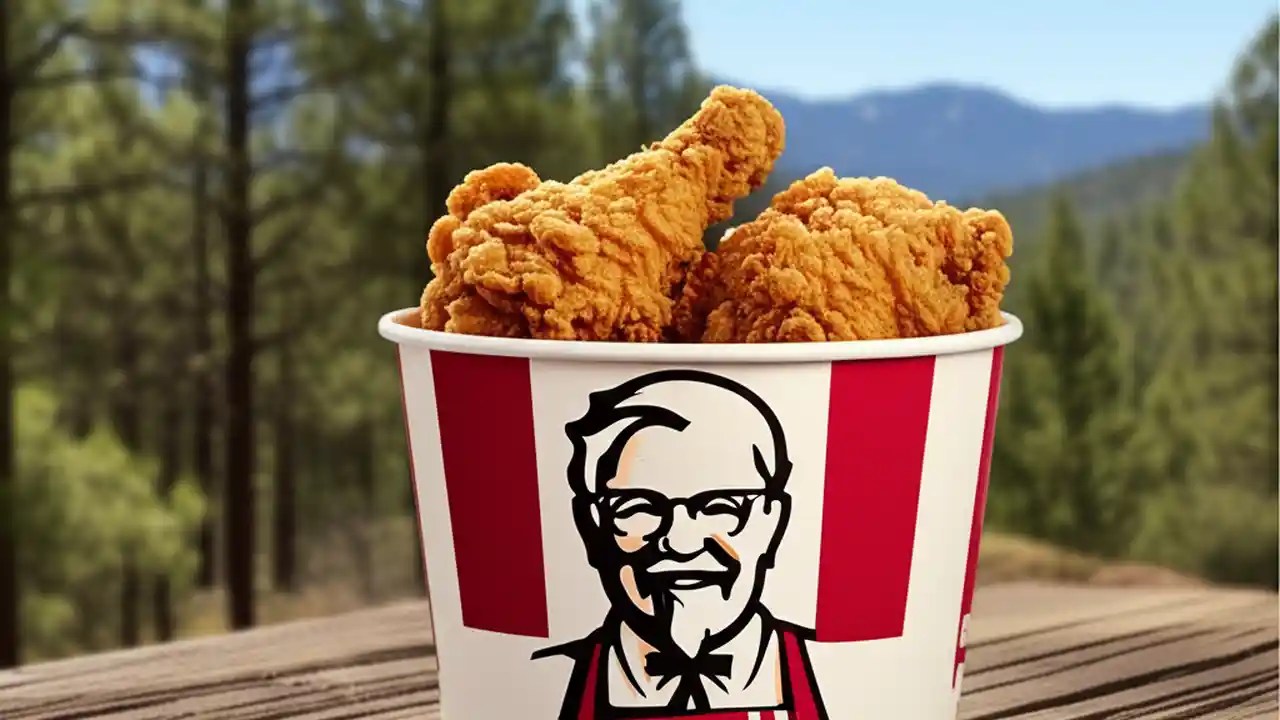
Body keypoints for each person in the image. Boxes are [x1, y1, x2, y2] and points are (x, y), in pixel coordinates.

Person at [534, 370, 828, 720]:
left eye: (720, 506)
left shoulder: (839, 669)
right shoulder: (540, 678)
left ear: (773, 522)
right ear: (592, 527)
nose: (681, 543)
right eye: (639, 507)